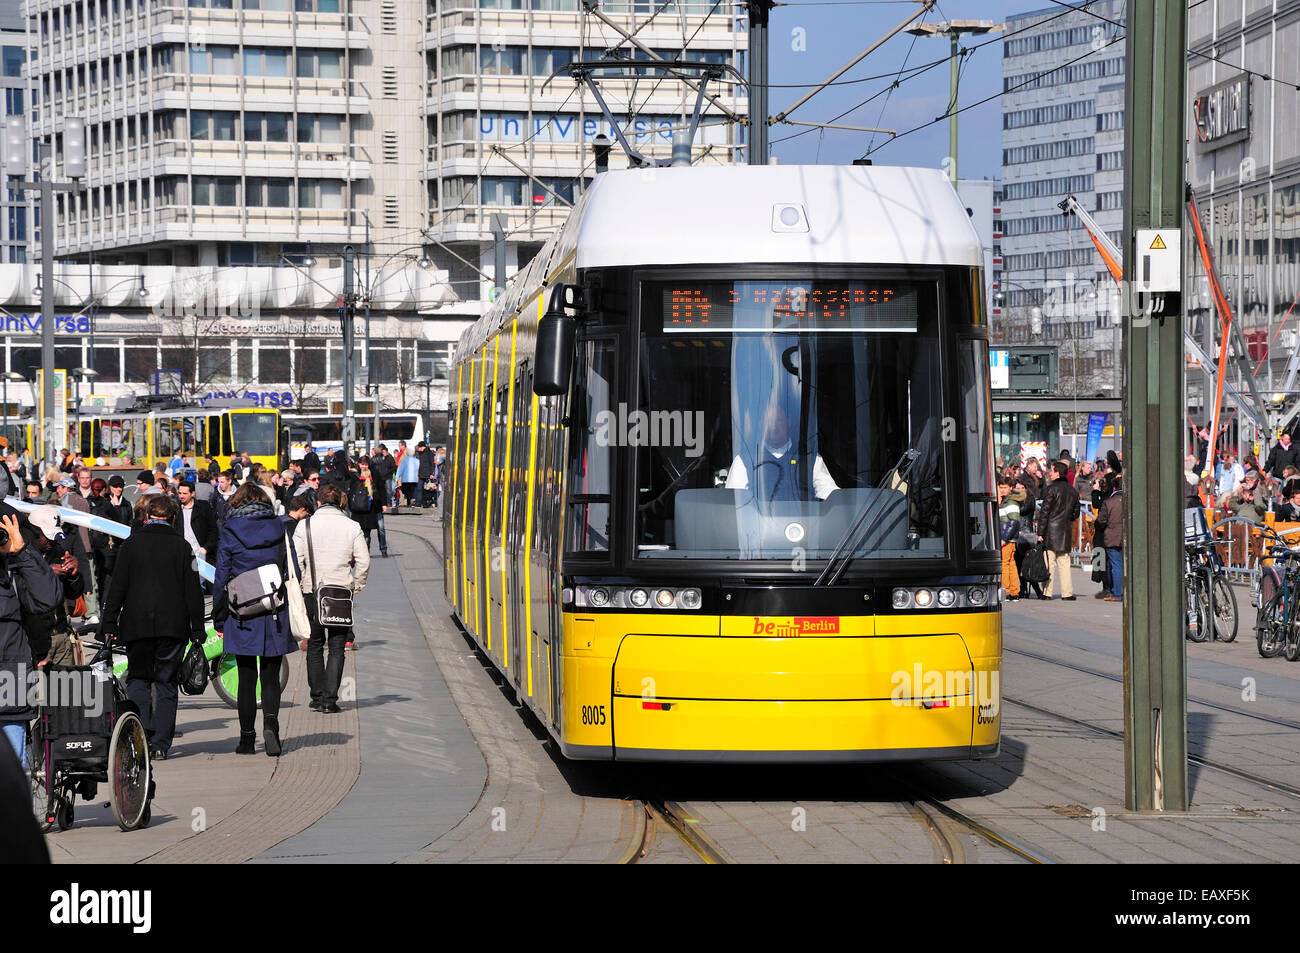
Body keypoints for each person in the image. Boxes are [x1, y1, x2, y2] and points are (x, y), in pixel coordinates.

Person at [101, 494, 206, 761]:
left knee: (138, 679)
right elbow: (193, 590)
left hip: (136, 625)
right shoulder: (183, 548)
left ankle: (141, 734)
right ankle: (161, 743)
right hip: (173, 626)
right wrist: (197, 628)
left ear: (147, 516)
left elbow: (117, 587)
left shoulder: (131, 545)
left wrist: (109, 621)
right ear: (172, 518)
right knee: (167, 683)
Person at [210, 482, 296, 756]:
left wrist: (219, 616)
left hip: (241, 610)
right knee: (271, 675)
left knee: (247, 678)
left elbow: (221, 575)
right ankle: (272, 725)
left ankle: (247, 739)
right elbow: (289, 567)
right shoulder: (279, 527)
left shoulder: (231, 530)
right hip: (272, 608)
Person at [293, 482, 369, 711]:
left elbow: (296, 561)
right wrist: (355, 586)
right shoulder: (352, 526)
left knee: (315, 644)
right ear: (341, 502)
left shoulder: (304, 525)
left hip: (312, 591)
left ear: (318, 501)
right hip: (341, 593)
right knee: (337, 646)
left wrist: (305, 582)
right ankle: (330, 701)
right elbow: (364, 562)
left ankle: (316, 697)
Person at [0, 511, 60, 769]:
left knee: (12, 780)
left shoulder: (12, 572)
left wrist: (20, 551)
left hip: (7, 691)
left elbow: (48, 598)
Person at [724, 404, 838, 501]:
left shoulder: (811, 458)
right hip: (757, 526)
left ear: (788, 421)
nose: (773, 426)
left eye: (778, 420)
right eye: (768, 421)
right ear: (761, 425)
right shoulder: (745, 460)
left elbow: (832, 496)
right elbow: (733, 504)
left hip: (804, 525)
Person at [1036, 460, 1080, 601]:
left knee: (1049, 563)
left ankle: (1047, 592)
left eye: (1052, 470)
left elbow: (1044, 513)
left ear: (1057, 473)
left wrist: (1040, 533)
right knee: (1064, 562)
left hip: (1050, 530)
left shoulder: (1051, 489)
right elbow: (1076, 512)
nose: (1049, 472)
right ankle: (1067, 593)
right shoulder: (1072, 490)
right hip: (1065, 530)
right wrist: (1067, 519)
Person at [1094, 472, 1123, 602]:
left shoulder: (1109, 502)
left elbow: (1101, 520)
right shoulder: (1131, 500)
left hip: (1112, 537)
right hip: (1126, 537)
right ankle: (1116, 590)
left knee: (1114, 565)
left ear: (1114, 488)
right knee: (1119, 564)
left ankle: (1116, 592)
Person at [176, 481, 219, 564]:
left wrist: (206, 548)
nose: (181, 496)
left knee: (199, 576)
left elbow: (213, 530)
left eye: (184, 493)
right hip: (182, 552)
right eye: (180, 493)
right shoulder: (175, 509)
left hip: (200, 552)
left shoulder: (203, 507)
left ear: (192, 494)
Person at [355, 456, 389, 557]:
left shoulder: (375, 474)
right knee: (366, 531)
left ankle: (383, 549)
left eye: (366, 464)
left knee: (381, 528)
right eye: (362, 464)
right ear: (359, 464)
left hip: (376, 505)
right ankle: (367, 551)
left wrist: (384, 504)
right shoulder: (356, 475)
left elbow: (382, 489)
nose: (364, 466)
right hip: (365, 507)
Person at [997, 476, 1021, 600]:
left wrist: (1004, 539)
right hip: (1010, 538)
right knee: (1011, 564)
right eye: (1001, 488)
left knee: (1005, 564)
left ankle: (1006, 591)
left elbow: (1013, 522)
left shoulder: (1010, 503)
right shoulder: (1007, 501)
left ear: (1011, 488)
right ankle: (1014, 591)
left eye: (1005, 488)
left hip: (1007, 539)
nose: (1002, 490)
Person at [415, 441, 438, 508]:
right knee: (419, 488)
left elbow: (432, 464)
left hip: (428, 474)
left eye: (419, 447)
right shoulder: (420, 454)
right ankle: (419, 502)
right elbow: (420, 465)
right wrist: (418, 474)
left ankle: (425, 502)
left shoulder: (429, 453)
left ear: (422, 447)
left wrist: (431, 473)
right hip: (422, 474)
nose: (418, 449)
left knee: (426, 490)